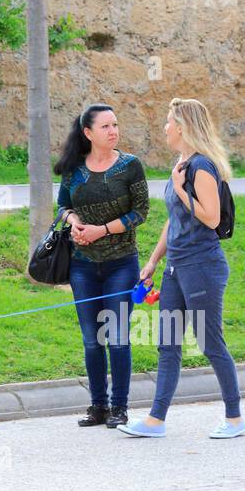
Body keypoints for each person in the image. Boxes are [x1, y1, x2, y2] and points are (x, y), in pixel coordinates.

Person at [120, 97, 245, 439]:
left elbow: (211, 216)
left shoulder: (201, 167)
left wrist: (179, 188)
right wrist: (152, 261)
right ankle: (155, 421)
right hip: (175, 268)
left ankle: (235, 419)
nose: (164, 127)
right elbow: (173, 220)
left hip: (202, 267)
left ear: (182, 127)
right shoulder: (181, 163)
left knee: (210, 343)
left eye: (168, 121)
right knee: (168, 344)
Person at [54, 104, 151, 429]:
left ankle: (120, 408)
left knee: (119, 338)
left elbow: (141, 212)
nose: (114, 131)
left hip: (121, 264)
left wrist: (103, 230)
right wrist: (75, 222)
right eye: (106, 126)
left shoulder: (130, 166)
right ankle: (98, 406)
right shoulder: (74, 168)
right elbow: (63, 205)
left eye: (116, 125)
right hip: (82, 267)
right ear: (88, 133)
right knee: (92, 340)